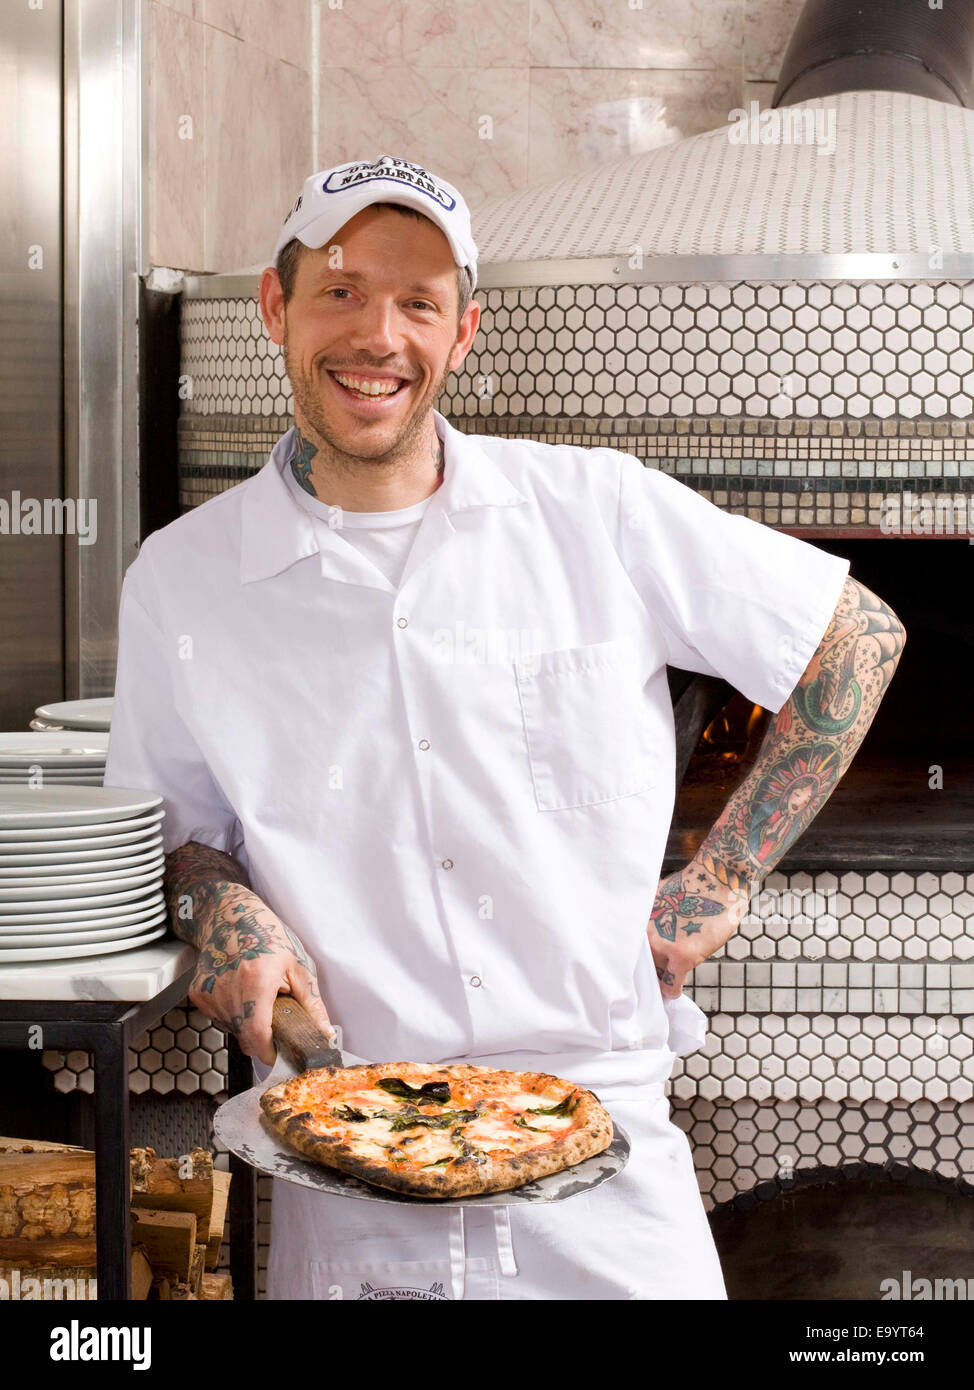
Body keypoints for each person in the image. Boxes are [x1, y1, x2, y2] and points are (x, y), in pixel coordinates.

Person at [104, 153, 906, 1300]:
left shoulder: (595, 512)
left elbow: (855, 634)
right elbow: (172, 838)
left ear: (463, 331)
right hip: (351, 1162)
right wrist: (220, 900)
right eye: (339, 290)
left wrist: (722, 871)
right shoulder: (181, 581)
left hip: (604, 1164)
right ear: (275, 308)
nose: (376, 333)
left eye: (418, 302)